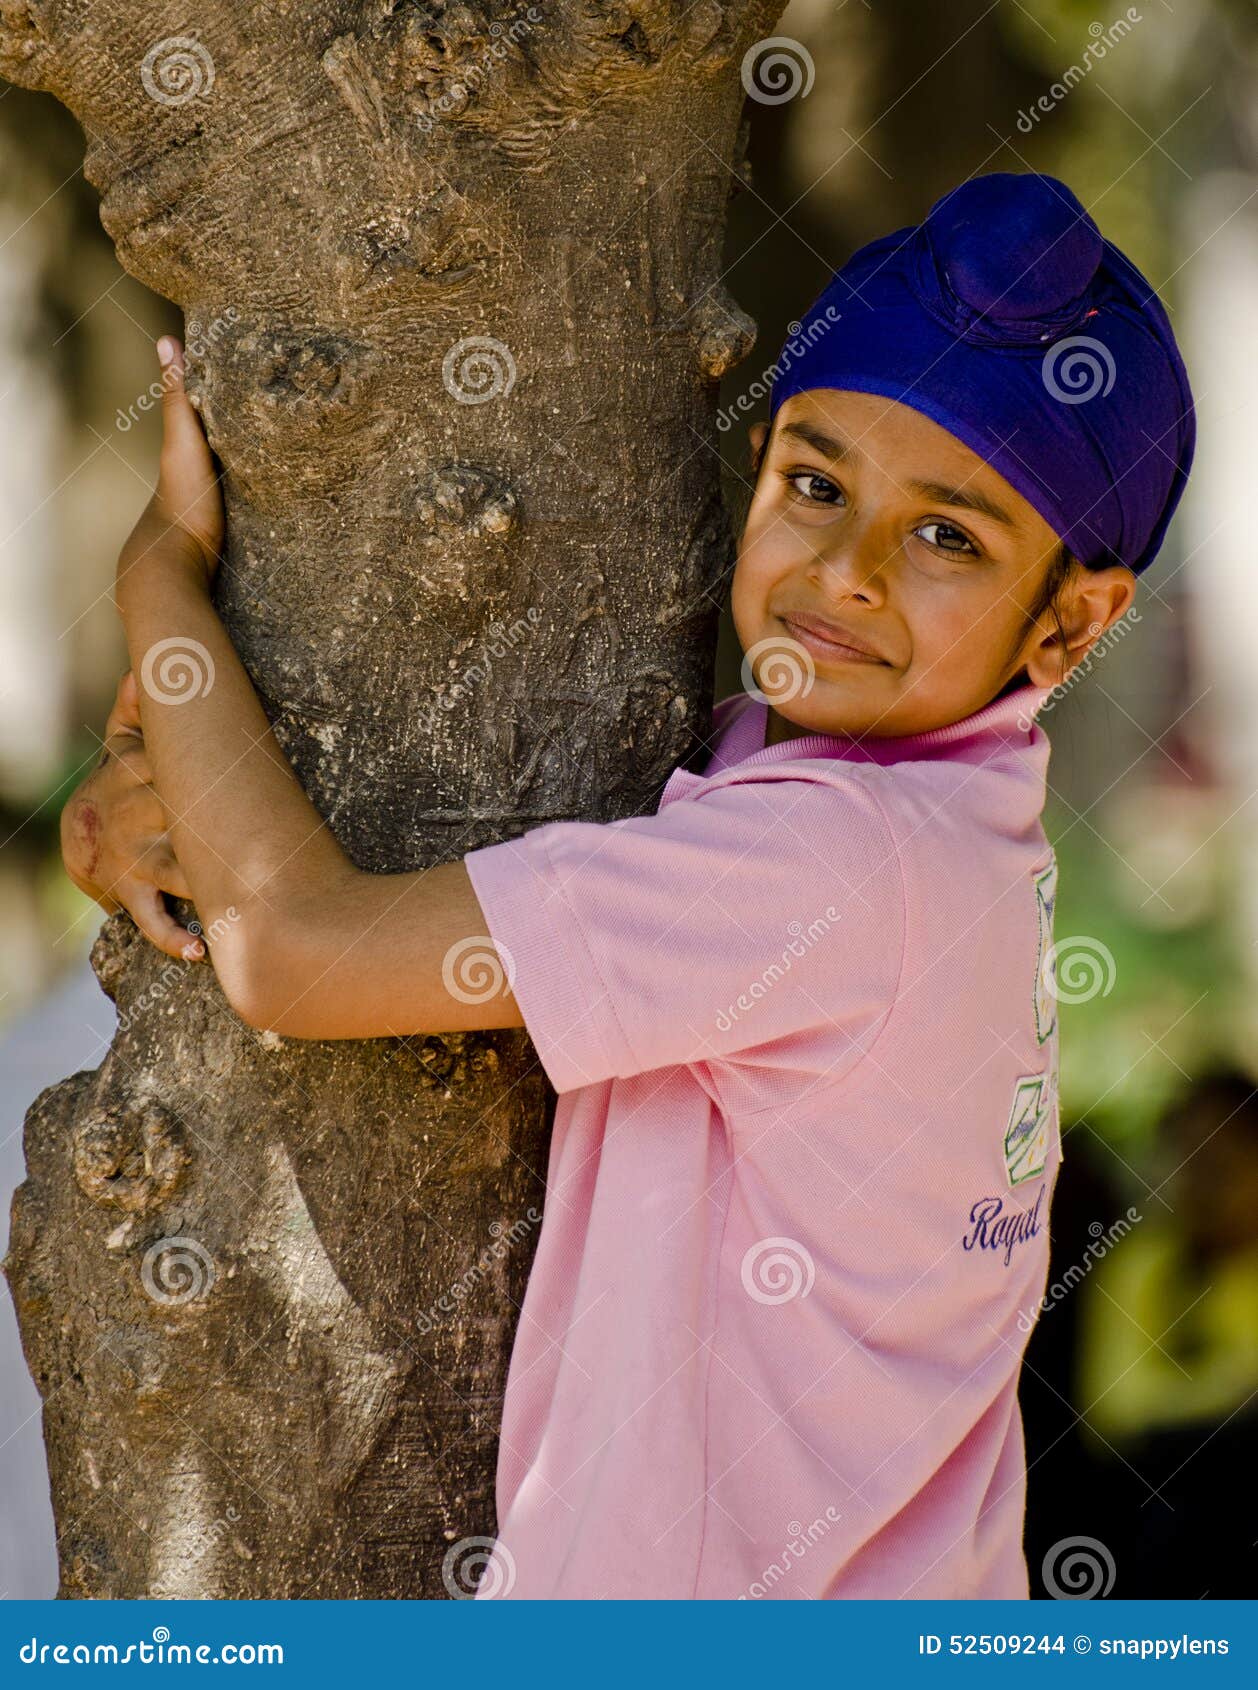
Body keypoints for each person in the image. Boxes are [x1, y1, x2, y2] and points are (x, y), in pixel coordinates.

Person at [62, 172, 1195, 1598]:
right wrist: (135, 783)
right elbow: (265, 847)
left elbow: (291, 947)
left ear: (1072, 622)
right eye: (814, 484)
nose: (843, 571)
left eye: (947, 535)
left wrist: (163, 581)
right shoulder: (907, 821)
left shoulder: (820, 865)